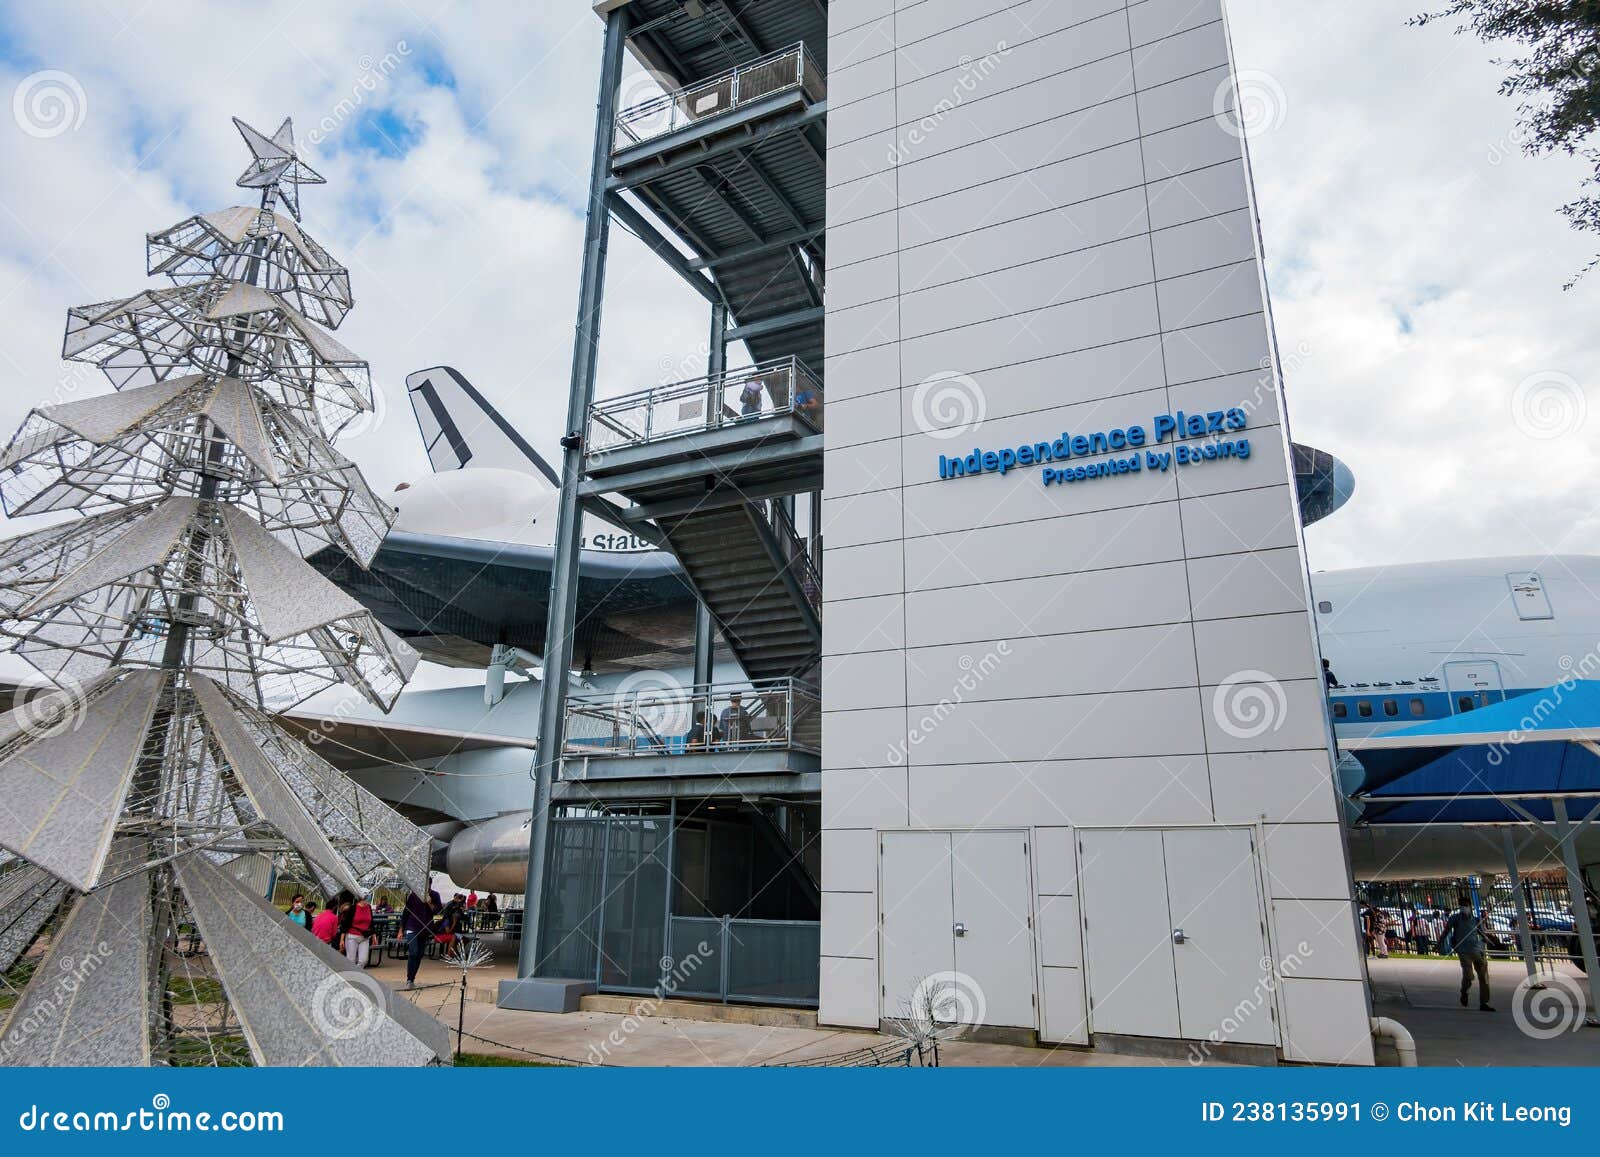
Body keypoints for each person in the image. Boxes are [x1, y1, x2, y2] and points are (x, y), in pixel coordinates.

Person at [1441, 897, 1494, 1011]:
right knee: (1469, 976)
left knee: (1484, 978)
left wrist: (1486, 939)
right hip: (1464, 952)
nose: (1463, 908)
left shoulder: (1475, 919)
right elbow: (1447, 931)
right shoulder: (1455, 918)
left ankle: (1484, 1003)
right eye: (1461, 905)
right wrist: (1439, 943)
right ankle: (1464, 991)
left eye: (1465, 905)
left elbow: (1482, 932)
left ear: (1470, 906)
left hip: (1478, 951)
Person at [401, 880, 442, 990]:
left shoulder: (435, 895)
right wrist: (401, 929)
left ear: (430, 885)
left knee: (419, 954)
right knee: (413, 953)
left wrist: (429, 902)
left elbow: (438, 912)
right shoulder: (413, 895)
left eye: (427, 885)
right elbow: (406, 912)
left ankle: (412, 978)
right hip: (412, 927)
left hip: (425, 929)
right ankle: (409, 979)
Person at [344, 893, 375, 967]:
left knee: (363, 960)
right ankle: (351, 975)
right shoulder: (353, 908)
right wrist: (342, 939)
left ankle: (357, 973)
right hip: (352, 936)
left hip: (365, 936)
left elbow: (371, 922)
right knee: (351, 960)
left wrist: (374, 935)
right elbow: (346, 923)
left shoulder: (369, 907)